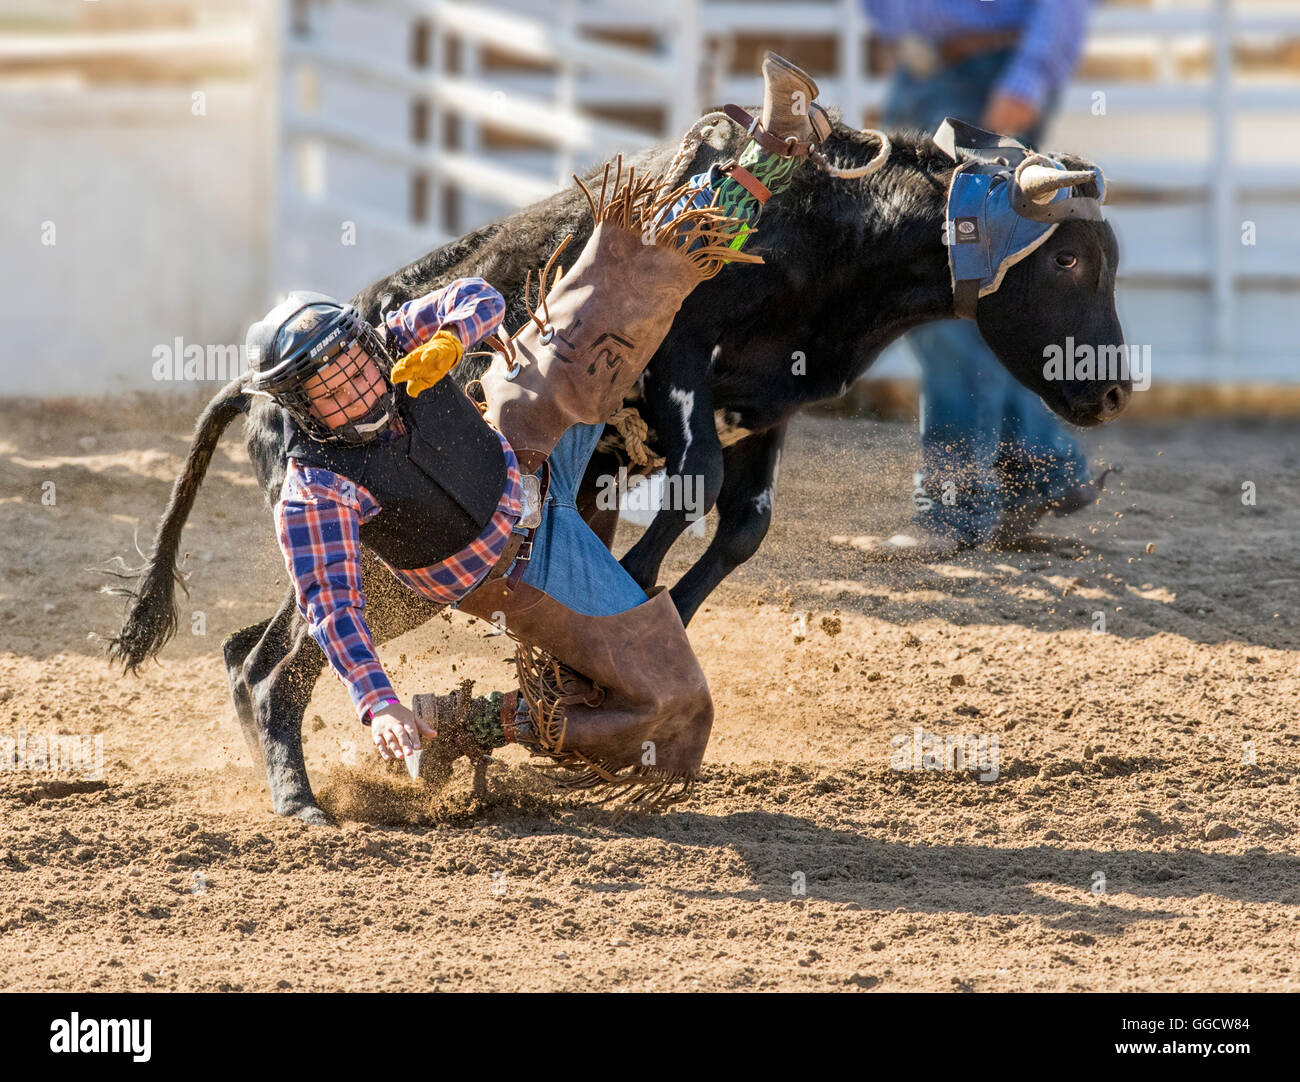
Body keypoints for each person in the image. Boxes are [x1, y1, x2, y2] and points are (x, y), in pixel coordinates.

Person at [245, 53, 831, 808]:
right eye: (331, 382)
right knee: (673, 716)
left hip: (521, 440)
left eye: (354, 358)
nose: (358, 377)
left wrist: (454, 337)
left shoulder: (392, 345)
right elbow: (332, 606)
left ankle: (772, 149)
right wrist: (379, 703)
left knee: (621, 285)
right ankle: (469, 720)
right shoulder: (315, 490)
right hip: (516, 571)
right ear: (301, 405)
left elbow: (477, 298)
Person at [860, 0, 1110, 557]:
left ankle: (955, 508)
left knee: (952, 290)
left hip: (984, 78)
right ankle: (1041, 465)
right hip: (927, 74)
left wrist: (1029, 76)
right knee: (941, 286)